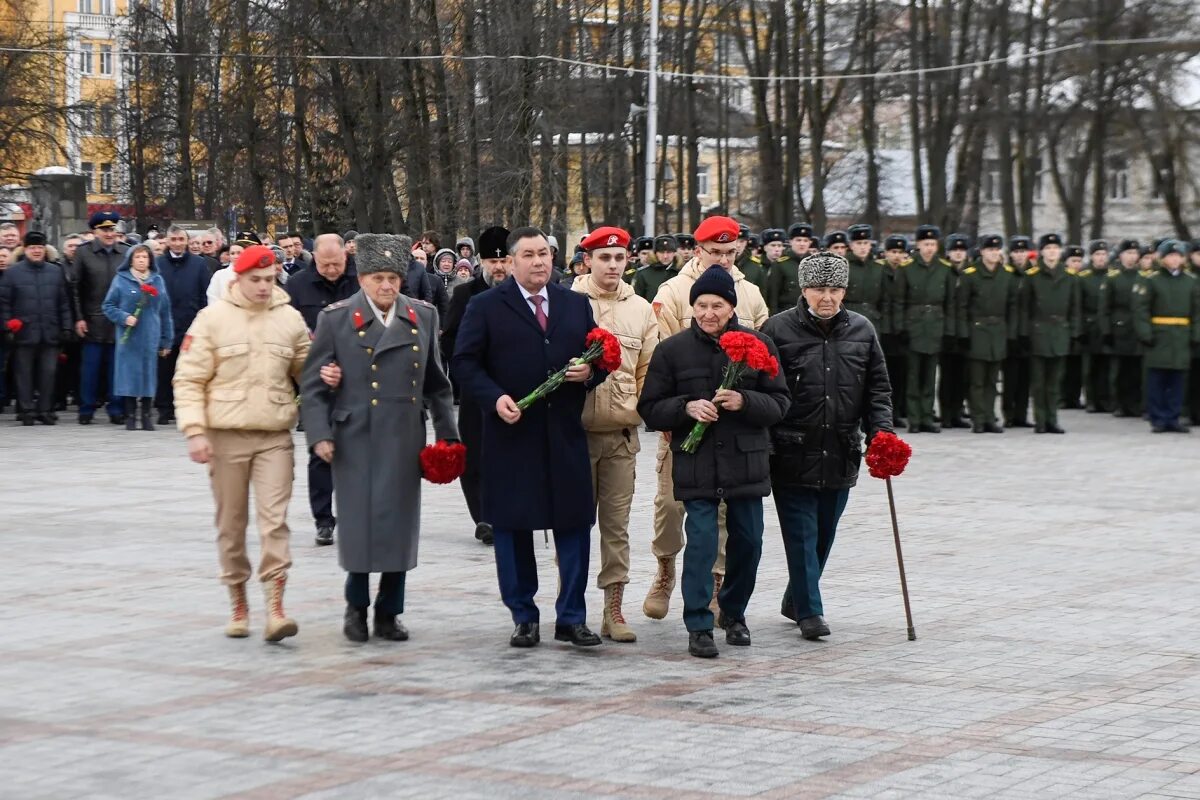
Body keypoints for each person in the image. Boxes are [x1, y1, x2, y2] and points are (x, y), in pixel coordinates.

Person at [452, 226, 608, 649]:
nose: (539, 262)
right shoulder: (486, 306)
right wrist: (494, 397)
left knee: (575, 525)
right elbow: (463, 363)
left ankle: (572, 617)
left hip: (564, 435)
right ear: (512, 261)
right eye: (529, 255)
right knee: (512, 526)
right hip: (511, 435)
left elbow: (600, 356)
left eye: (545, 253)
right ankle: (523, 615)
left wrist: (590, 372)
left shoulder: (575, 305)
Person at [301, 234, 458, 642]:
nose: (387, 286)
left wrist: (448, 438)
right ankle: (356, 608)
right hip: (352, 436)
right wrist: (318, 434)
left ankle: (390, 610)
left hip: (403, 435)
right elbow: (313, 385)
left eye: (393, 277)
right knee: (358, 526)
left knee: (399, 526)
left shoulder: (422, 315)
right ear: (362, 278)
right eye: (377, 278)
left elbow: (438, 385)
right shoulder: (335, 319)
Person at [638, 265, 789, 657]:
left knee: (749, 543)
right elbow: (650, 409)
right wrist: (686, 407)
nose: (708, 313)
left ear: (731, 307)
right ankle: (698, 623)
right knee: (703, 543)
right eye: (701, 305)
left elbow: (781, 404)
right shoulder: (672, 350)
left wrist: (745, 401)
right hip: (696, 461)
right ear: (692, 307)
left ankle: (734, 614)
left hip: (745, 462)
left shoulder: (759, 344)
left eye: (717, 305)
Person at [173, 244, 310, 641]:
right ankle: (238, 601)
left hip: (274, 436)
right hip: (225, 436)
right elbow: (188, 379)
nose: (265, 287)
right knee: (231, 525)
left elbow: (309, 370)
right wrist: (195, 431)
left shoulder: (290, 319)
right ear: (238, 279)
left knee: (275, 522)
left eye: (270, 280)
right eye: (256, 281)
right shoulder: (211, 319)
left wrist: (327, 376)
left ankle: (275, 607)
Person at [644, 215, 769, 621]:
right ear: (697, 250)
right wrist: (677, 414)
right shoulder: (674, 291)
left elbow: (765, 355)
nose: (722, 260)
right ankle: (665, 569)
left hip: (732, 432)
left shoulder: (749, 293)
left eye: (730, 253)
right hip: (684, 427)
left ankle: (716, 585)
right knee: (670, 505)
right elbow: (661, 357)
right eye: (714, 252)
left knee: (722, 519)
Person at [762, 251, 890, 641]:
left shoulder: (862, 330)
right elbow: (765, 391)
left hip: (841, 449)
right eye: (819, 289)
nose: (827, 298)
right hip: (793, 450)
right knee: (800, 534)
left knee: (824, 534)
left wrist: (881, 433)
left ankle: (796, 598)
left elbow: (878, 389)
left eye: (835, 289)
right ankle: (811, 613)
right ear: (804, 289)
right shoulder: (777, 330)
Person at [572, 226, 659, 642]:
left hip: (621, 436)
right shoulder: (567, 302)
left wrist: (637, 409)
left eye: (619, 258)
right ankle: (570, 606)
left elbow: (648, 369)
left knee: (616, 527)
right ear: (587, 260)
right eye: (603, 258)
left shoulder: (641, 308)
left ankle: (613, 609)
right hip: (575, 434)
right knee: (572, 524)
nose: (612, 265)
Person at [287, 233, 358, 546]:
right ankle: (323, 520)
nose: (331, 270)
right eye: (326, 264)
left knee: (357, 451)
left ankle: (357, 514)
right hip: (315, 379)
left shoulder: (361, 280)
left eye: (337, 263)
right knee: (320, 450)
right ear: (313, 257)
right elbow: (290, 330)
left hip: (357, 378)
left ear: (346, 256)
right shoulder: (297, 285)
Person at [443, 226, 510, 545]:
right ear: (482, 261)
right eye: (491, 262)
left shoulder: (524, 293)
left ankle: (505, 512)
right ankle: (483, 516)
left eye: (503, 261)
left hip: (514, 389)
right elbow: (449, 341)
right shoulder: (464, 294)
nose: (498, 268)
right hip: (475, 391)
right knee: (474, 457)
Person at [0, 231, 72, 425]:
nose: (37, 251)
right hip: (23, 333)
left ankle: (45, 409)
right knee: (24, 374)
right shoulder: (13, 273)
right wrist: (7, 327)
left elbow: (63, 302)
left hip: (50, 332)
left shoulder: (55, 271)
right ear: (25, 249)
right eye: (33, 248)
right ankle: (26, 410)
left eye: (40, 247)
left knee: (48, 374)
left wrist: (66, 327)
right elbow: (4, 303)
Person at [102, 244, 174, 431]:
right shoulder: (121, 280)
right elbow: (108, 306)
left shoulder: (157, 280)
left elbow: (165, 311)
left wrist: (167, 339)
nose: (142, 260)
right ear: (130, 260)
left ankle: (147, 414)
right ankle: (131, 414)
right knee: (129, 374)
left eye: (145, 257)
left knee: (148, 374)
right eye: (138, 257)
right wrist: (124, 317)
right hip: (129, 337)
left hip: (150, 334)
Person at [1133, 239, 1199, 433]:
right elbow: (1141, 310)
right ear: (1162, 259)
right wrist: (1145, 333)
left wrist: (1196, 335)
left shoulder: (1190, 281)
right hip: (1159, 335)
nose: (1174, 259)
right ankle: (1158, 418)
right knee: (1157, 379)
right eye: (1170, 256)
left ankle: (1173, 416)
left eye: (1178, 256)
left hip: (1181, 336)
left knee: (1178, 380)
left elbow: (1197, 311)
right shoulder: (1152, 280)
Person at [895, 224, 954, 433]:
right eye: (925, 244)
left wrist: (949, 331)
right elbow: (899, 301)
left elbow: (950, 303)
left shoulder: (945, 269)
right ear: (918, 245)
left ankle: (927, 417)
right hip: (914, 326)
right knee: (913, 375)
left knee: (930, 376)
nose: (929, 248)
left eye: (932, 244)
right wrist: (900, 328)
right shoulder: (907, 269)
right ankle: (915, 419)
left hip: (935, 326)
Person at [956, 234, 1017, 433]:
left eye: (997, 249)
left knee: (992, 380)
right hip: (977, 331)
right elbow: (962, 307)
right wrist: (964, 334)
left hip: (998, 331)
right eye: (989, 249)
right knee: (977, 380)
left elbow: (1012, 307)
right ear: (981, 251)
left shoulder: (1007, 274)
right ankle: (978, 418)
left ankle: (990, 417)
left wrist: (1012, 335)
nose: (994, 253)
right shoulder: (970, 274)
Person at [74, 211, 131, 424]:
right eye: (104, 230)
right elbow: (75, 288)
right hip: (92, 321)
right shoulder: (84, 253)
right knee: (90, 369)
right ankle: (86, 409)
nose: (109, 234)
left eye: (112, 229)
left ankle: (116, 409)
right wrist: (79, 317)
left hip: (118, 321)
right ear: (95, 231)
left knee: (116, 369)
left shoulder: (125, 252)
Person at [1020, 233, 1080, 434]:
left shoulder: (1070, 277)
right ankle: (1040, 420)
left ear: (1060, 251)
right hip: (1039, 332)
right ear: (1041, 252)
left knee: (1055, 382)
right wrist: (1024, 334)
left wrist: (1074, 334)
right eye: (1048, 248)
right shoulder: (1033, 276)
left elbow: (1075, 308)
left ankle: (1052, 419)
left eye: (1055, 248)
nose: (1052, 252)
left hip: (1060, 332)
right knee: (1039, 381)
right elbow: (1025, 309)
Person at [153, 225, 210, 425]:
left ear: (186, 241)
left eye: (181, 239)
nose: (177, 243)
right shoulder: (158, 264)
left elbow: (205, 294)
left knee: (188, 370)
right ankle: (163, 408)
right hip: (164, 325)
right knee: (164, 369)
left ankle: (186, 408)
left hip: (190, 324)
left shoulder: (199, 264)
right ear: (167, 241)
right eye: (173, 239)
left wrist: (202, 320)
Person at [1104, 239, 1145, 418]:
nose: (1132, 256)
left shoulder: (1144, 277)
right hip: (1119, 327)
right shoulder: (1112, 278)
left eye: (1135, 253)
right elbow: (1104, 308)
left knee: (1137, 370)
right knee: (1120, 370)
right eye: (1128, 253)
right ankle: (1120, 403)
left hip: (1138, 328)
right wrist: (1106, 331)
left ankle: (1135, 403)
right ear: (1120, 256)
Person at [1003, 235, 1036, 427]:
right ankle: (1009, 414)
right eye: (1016, 252)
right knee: (1011, 378)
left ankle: (1021, 415)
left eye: (1023, 251)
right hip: (1011, 333)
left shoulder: (1034, 274)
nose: (1020, 255)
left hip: (1030, 332)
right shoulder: (1007, 274)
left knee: (1026, 379)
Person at [1079, 241, 1113, 413]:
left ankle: (1106, 399)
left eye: (1103, 254)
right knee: (1090, 367)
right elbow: (1078, 306)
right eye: (1097, 254)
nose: (1101, 258)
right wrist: (1080, 330)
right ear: (1091, 257)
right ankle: (1092, 400)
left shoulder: (1113, 276)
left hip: (1107, 326)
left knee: (1107, 366)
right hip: (1090, 325)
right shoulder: (1084, 278)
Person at [881, 234, 911, 427]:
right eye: (893, 252)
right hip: (884, 329)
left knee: (902, 374)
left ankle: (899, 410)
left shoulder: (908, 272)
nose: (897, 256)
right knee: (885, 375)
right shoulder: (881, 271)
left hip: (904, 329)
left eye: (901, 252)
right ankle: (887, 413)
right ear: (886, 253)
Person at [632, 234, 679, 302]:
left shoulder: (681, 273)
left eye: (669, 252)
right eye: (661, 252)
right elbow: (637, 301)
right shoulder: (643, 274)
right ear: (655, 253)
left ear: (674, 253)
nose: (665, 256)